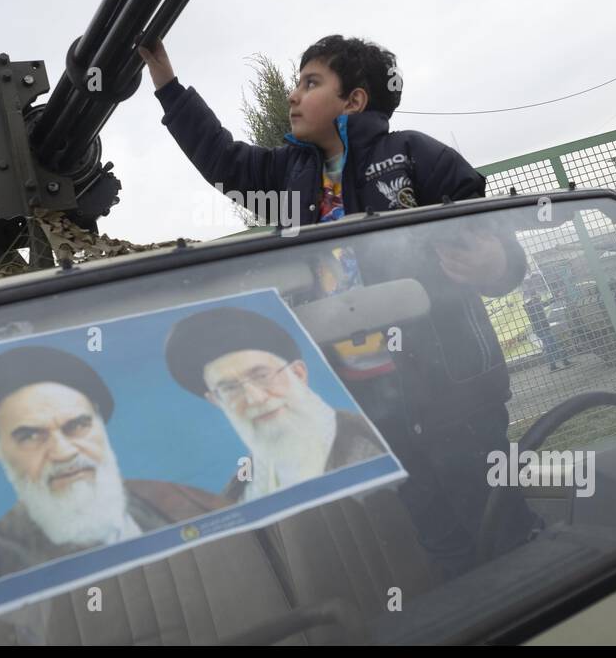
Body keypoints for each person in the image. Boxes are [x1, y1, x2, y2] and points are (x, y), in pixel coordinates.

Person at [138, 35, 540, 576]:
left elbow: (490, 237)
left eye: (310, 83)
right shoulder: (288, 177)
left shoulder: (413, 154)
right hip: (372, 406)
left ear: (353, 101)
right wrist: (166, 83)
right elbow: (223, 160)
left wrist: (495, 261)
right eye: (295, 84)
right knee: (438, 538)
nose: (293, 96)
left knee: (500, 523)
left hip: (453, 393)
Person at [0, 346, 225, 583]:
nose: (63, 453)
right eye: (30, 436)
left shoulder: (195, 506)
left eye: (77, 426)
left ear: (100, 425)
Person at [163, 306, 386, 501]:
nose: (255, 398)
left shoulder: (373, 447)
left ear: (298, 374)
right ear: (216, 401)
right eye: (230, 388)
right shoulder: (239, 493)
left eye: (262, 375)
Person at [523, 278, 573, 371]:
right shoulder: (532, 305)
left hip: (541, 329)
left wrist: (556, 296)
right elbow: (541, 302)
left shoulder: (533, 304)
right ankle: (561, 362)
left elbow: (544, 303)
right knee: (553, 345)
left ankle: (555, 364)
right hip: (542, 329)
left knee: (551, 346)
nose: (539, 297)